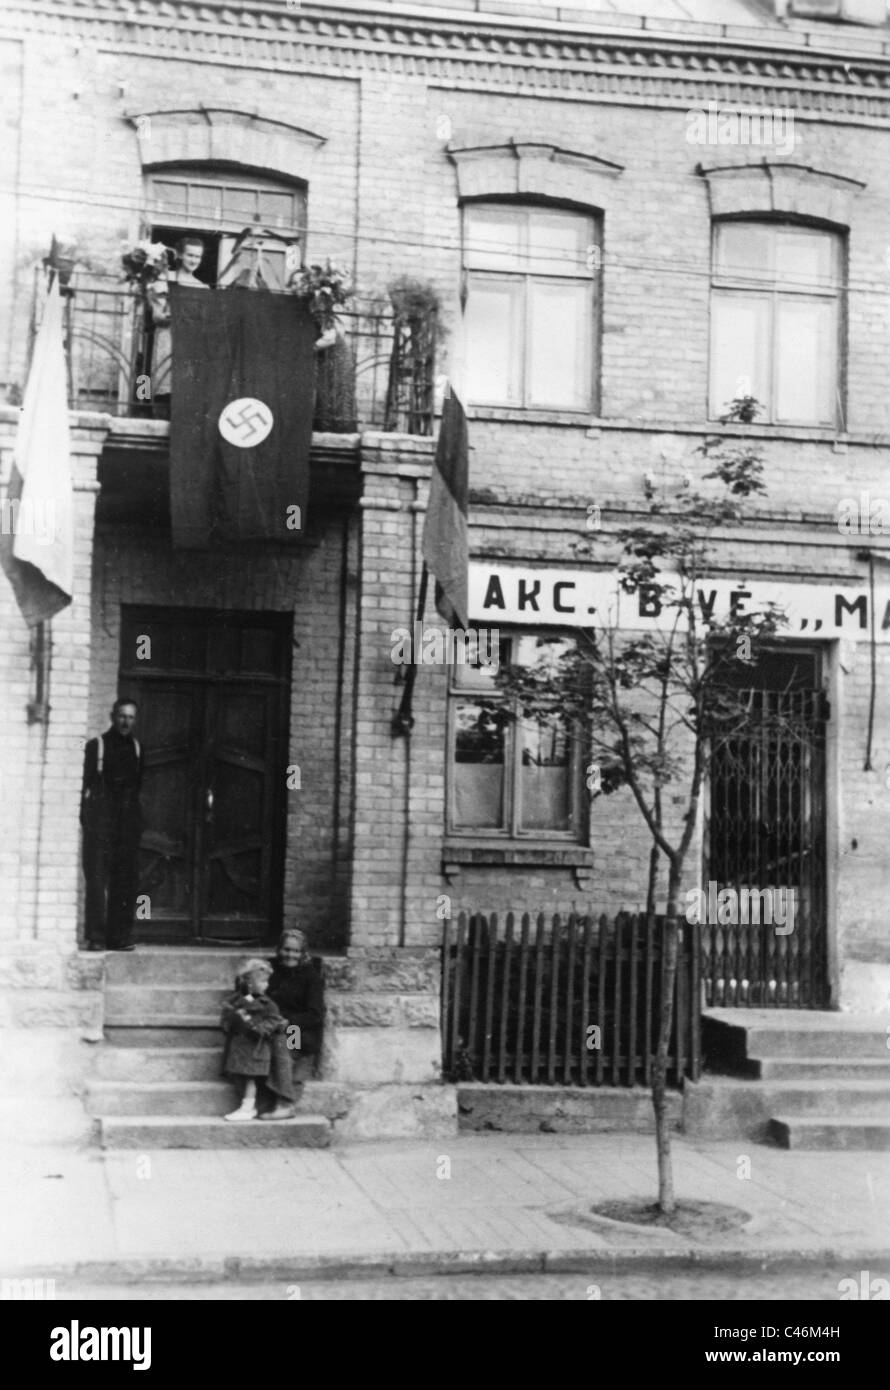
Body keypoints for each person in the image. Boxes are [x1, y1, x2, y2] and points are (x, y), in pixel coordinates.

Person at [80, 697, 144, 952]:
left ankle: (119, 937)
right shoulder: (97, 746)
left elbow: (138, 786)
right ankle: (96, 937)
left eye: (130, 717)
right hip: (100, 824)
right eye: (121, 716)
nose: (126, 721)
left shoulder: (138, 749)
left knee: (124, 882)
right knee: (96, 880)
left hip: (126, 826)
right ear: (112, 716)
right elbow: (85, 785)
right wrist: (89, 822)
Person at [220, 959, 297, 1123]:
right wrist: (234, 1016)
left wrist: (249, 1022)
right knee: (243, 1077)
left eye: (267, 981)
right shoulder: (242, 998)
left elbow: (268, 1026)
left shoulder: (268, 1004)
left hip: (270, 1042)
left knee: (252, 1078)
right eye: (262, 981)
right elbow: (228, 1015)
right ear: (248, 982)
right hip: (243, 1047)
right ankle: (249, 1106)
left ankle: (254, 1107)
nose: (266, 985)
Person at [145, 236, 208, 419]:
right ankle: (146, 407)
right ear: (180, 255)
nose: (194, 260)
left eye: (198, 257)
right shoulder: (164, 278)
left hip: (189, 344)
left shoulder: (201, 287)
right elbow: (158, 316)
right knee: (159, 384)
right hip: (167, 339)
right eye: (190, 255)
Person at [267, 928, 324, 1100]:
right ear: (279, 949)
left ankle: (285, 1102)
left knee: (285, 1048)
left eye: (296, 951)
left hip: (297, 1029)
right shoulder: (270, 969)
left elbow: (315, 1015)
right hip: (273, 1024)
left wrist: (288, 1021)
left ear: (303, 953)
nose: (290, 955)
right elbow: (246, 985)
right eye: (286, 949)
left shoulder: (311, 977)